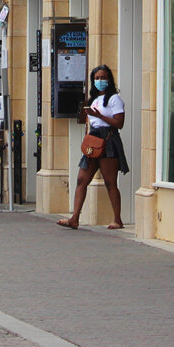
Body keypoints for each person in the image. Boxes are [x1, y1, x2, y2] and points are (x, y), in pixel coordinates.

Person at [57, 65, 128, 230]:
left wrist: (99, 115)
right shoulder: (93, 99)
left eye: (103, 78)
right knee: (82, 179)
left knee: (110, 182)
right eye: (97, 78)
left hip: (108, 139)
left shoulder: (114, 99)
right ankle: (75, 217)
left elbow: (119, 123)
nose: (100, 81)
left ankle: (117, 219)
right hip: (93, 140)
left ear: (109, 80)